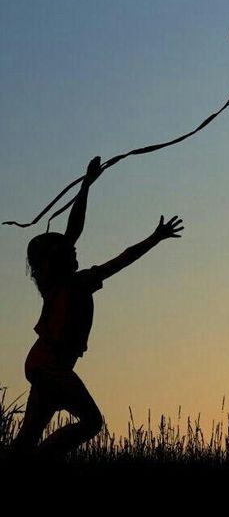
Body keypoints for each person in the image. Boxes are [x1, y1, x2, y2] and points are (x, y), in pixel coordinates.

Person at [12, 156, 183, 460]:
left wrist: (87, 185)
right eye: (67, 251)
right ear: (54, 260)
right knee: (91, 421)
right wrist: (154, 239)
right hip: (49, 365)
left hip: (46, 365)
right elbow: (120, 257)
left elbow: (75, 232)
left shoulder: (67, 283)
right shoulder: (67, 284)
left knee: (25, 441)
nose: (74, 249)